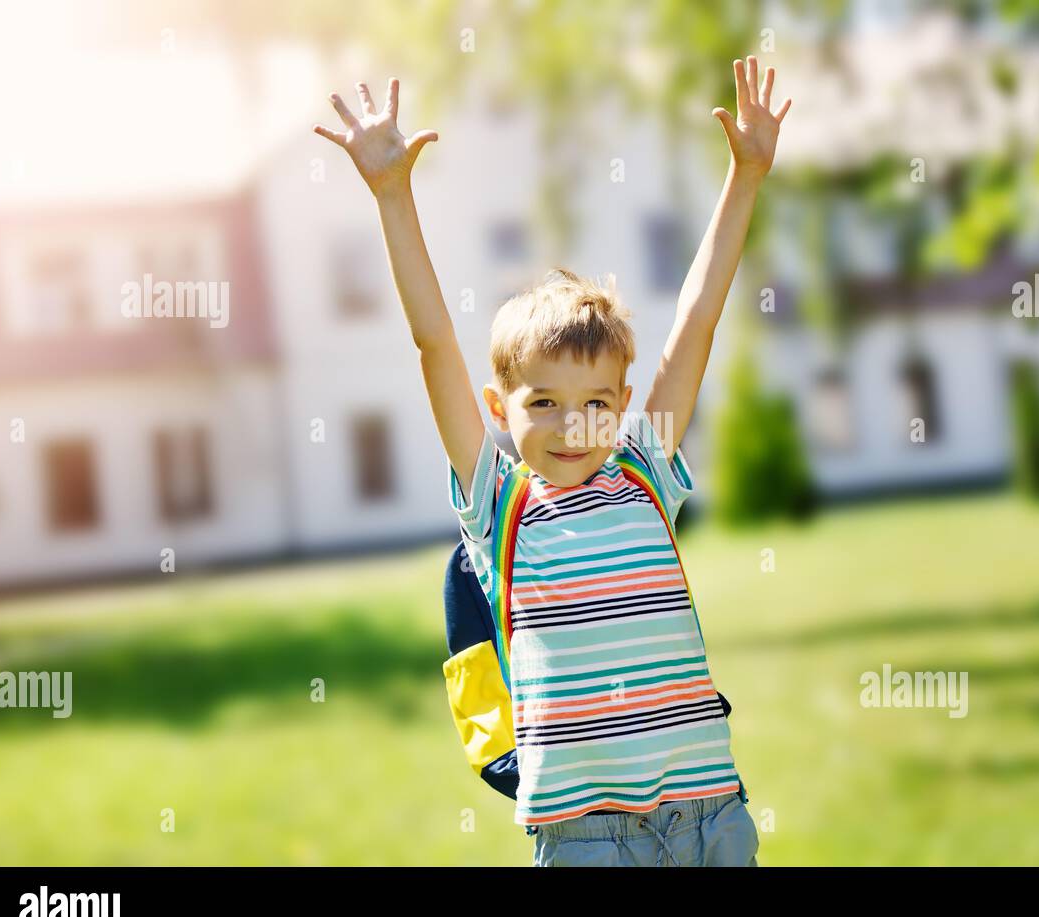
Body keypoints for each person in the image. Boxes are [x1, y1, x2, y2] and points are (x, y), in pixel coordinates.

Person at [314, 56, 790, 866]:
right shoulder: (499, 505)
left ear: (624, 401)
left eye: (597, 404)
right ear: (500, 411)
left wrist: (745, 176)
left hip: (709, 815)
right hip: (584, 839)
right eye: (543, 404)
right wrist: (393, 196)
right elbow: (434, 344)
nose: (574, 428)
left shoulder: (644, 470)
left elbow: (697, 319)